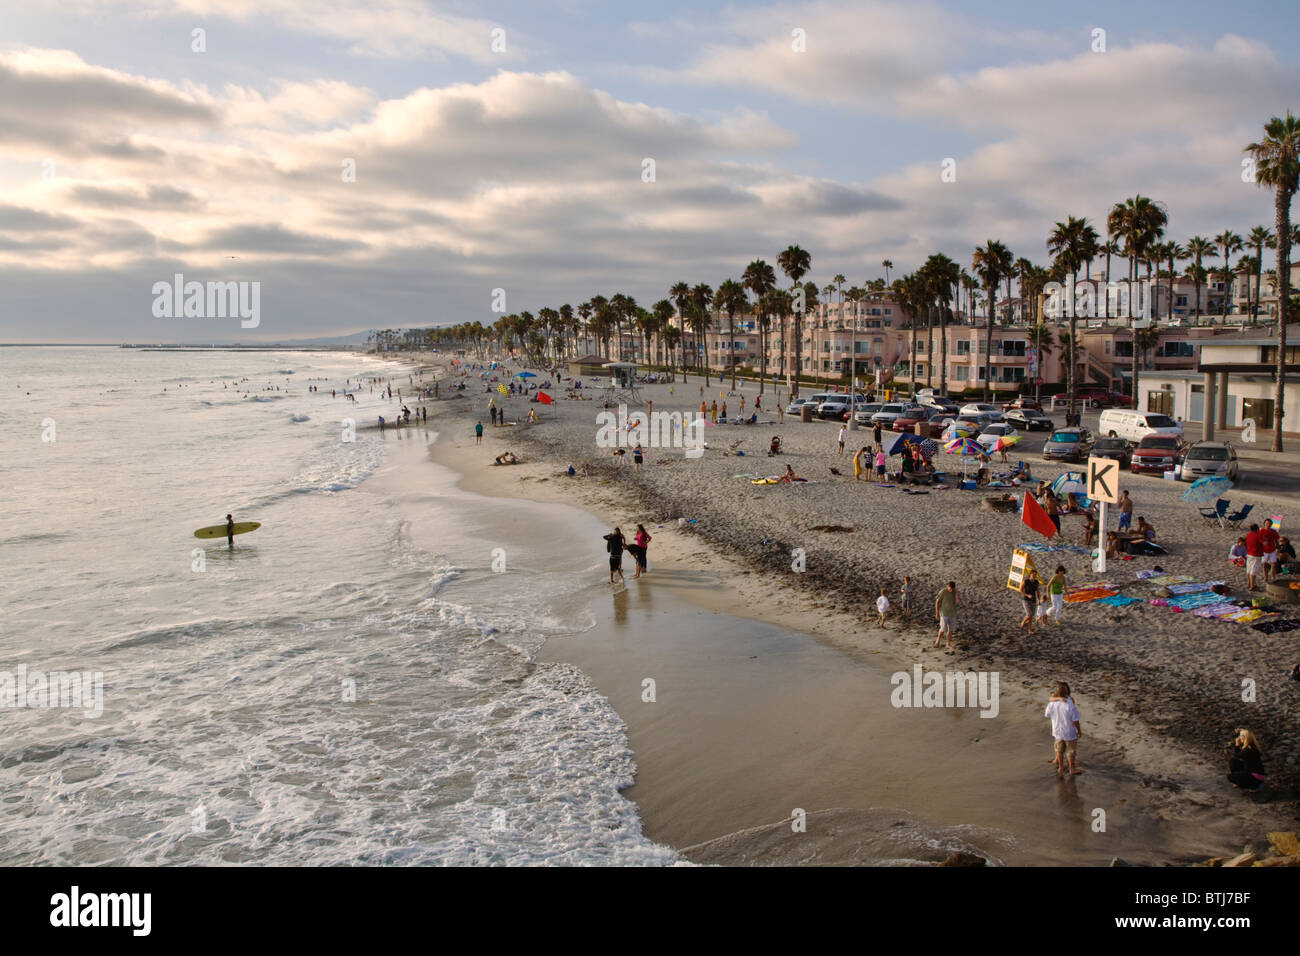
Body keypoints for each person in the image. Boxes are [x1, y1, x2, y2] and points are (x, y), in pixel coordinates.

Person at [1046, 682, 1082, 775]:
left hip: (1057, 730)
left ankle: (1061, 767)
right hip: (1069, 731)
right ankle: (1072, 769)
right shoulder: (1070, 704)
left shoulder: (1052, 703)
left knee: (1059, 750)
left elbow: (1047, 714)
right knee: (1071, 751)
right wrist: (1079, 730)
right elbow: (1075, 720)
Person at [934, 581, 959, 648]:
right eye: (950, 588)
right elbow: (937, 602)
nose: (951, 590)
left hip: (952, 613)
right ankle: (937, 641)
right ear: (948, 586)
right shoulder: (943, 591)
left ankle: (948, 644)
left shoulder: (954, 592)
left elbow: (958, 601)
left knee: (950, 629)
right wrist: (937, 613)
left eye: (952, 589)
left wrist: (956, 593)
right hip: (944, 613)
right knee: (942, 629)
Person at [1259, 518, 1280, 583]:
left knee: (1274, 564)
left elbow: (1276, 540)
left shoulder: (1273, 531)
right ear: (1264, 524)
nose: (1268, 525)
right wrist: (1263, 542)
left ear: (1271, 525)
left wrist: (1278, 548)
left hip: (1272, 550)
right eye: (1267, 523)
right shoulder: (1261, 531)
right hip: (1264, 551)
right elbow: (1258, 540)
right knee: (1264, 565)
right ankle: (1266, 577)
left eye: (1269, 524)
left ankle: (1273, 577)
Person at [1245, 522, 1264, 591]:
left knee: (1249, 569)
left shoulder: (1249, 535)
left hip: (1249, 553)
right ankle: (1252, 586)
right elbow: (1265, 543)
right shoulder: (1257, 536)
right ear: (1257, 529)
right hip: (1256, 554)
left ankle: (1249, 583)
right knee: (1253, 570)